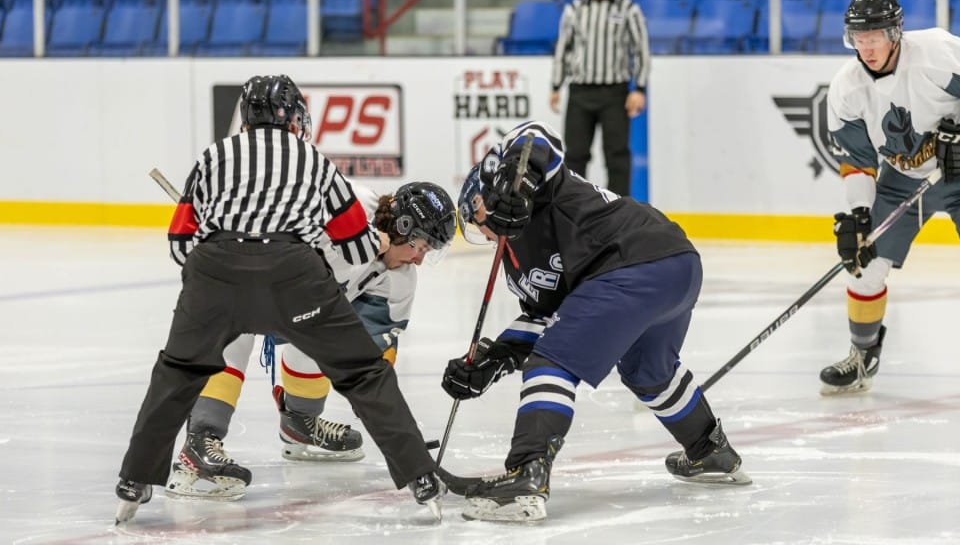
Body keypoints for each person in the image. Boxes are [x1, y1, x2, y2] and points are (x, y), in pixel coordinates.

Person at [114, 74, 446, 524]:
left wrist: (214, 268)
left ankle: (134, 481)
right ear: (296, 120)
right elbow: (352, 244)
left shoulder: (214, 155)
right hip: (296, 284)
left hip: (216, 276)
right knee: (363, 372)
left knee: (179, 370)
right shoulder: (314, 160)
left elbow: (179, 242)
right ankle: (420, 477)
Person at [441, 120, 751, 522]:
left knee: (550, 364)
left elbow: (539, 137)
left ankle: (526, 475)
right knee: (648, 371)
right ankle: (710, 450)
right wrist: (494, 357)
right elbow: (548, 318)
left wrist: (518, 181)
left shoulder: (537, 189)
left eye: (478, 213)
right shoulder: (517, 262)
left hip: (630, 261)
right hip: (674, 265)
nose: (483, 227)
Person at [165, 181, 456, 500]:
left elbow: (372, 359)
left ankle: (300, 423)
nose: (418, 261)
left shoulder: (399, 282)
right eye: (421, 247)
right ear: (403, 226)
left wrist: (397, 437)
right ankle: (199, 444)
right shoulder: (346, 201)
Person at [821, 0, 960, 395]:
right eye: (857, 38)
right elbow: (858, 160)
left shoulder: (937, 53)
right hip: (901, 182)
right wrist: (860, 214)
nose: (866, 47)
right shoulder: (846, 89)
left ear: (895, 32)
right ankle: (863, 355)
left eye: (874, 36)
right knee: (865, 264)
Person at [550, 0, 649, 196]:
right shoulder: (574, 10)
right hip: (580, 93)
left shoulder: (628, 9)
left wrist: (639, 88)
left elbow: (641, 50)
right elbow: (563, 49)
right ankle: (574, 210)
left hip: (615, 92)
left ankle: (618, 214)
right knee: (575, 156)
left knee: (617, 156)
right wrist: (556, 86)